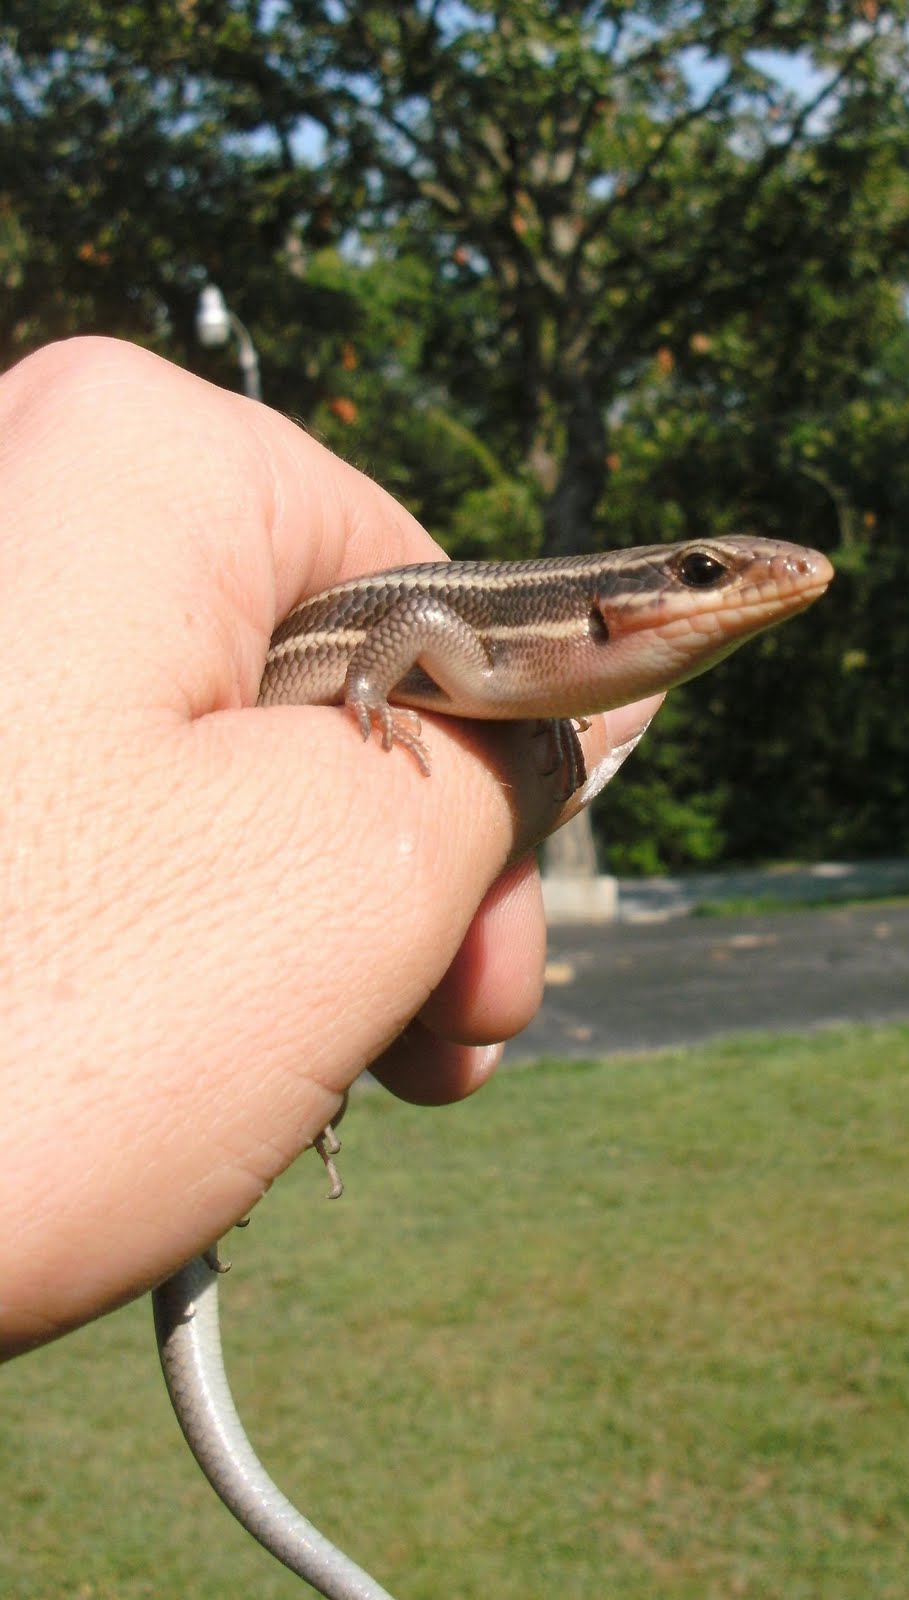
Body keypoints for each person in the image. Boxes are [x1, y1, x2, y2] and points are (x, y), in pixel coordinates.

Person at [0, 338, 660, 1358]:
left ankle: (273, 1105)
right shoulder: (482, 636)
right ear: (611, 606)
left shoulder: (498, 650)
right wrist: (364, 690)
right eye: (702, 574)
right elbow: (419, 614)